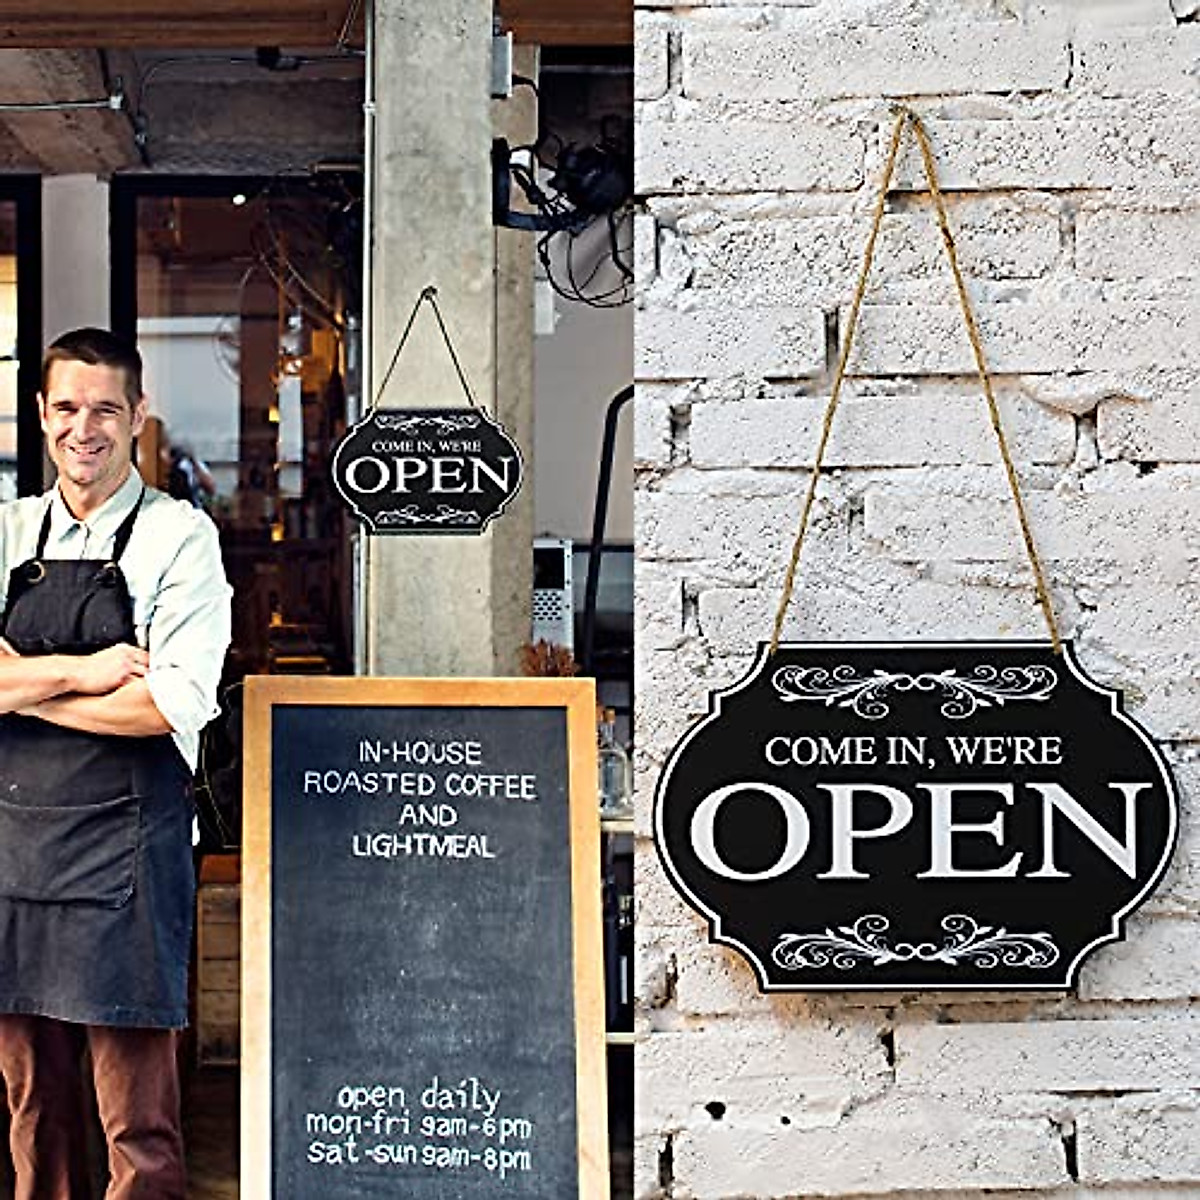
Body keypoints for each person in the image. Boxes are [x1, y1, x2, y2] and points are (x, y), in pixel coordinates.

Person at [0, 327, 232, 1198]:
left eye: (105, 408)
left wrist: (24, 685)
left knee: (137, 1124)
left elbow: (169, 704)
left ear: (137, 417)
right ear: (42, 415)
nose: (83, 428)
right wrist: (83, 670)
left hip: (127, 853)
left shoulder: (180, 538)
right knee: (34, 1106)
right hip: (15, 850)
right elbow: (123, 689)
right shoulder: (9, 528)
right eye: (66, 407)